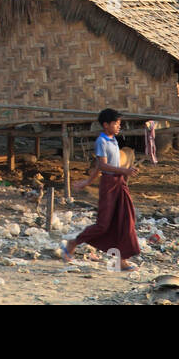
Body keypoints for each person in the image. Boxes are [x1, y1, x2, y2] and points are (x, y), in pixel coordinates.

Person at [61, 108, 141, 270]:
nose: (119, 126)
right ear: (106, 125)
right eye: (116, 123)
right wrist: (123, 171)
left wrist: (89, 180)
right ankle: (73, 242)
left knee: (125, 220)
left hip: (119, 183)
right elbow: (103, 165)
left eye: (119, 123)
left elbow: (102, 165)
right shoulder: (101, 141)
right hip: (109, 184)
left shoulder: (113, 140)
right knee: (103, 224)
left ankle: (122, 259)